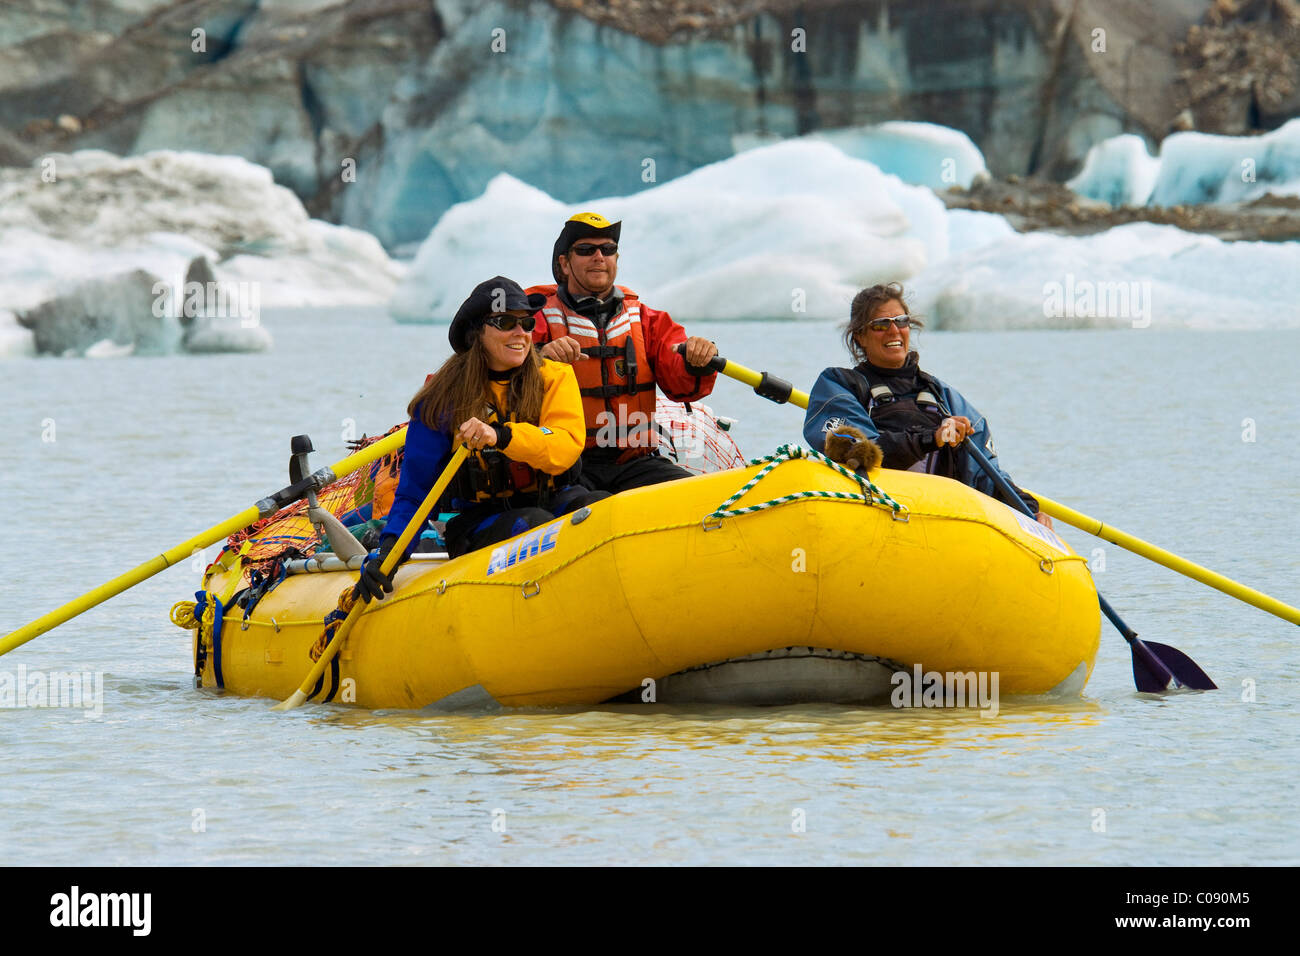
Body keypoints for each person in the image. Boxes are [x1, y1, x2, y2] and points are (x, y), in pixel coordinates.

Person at [355, 277, 606, 602]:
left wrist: (501, 436)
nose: (521, 333)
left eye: (526, 323)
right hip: (479, 520)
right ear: (476, 333)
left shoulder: (554, 377)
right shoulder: (441, 400)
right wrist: (389, 553)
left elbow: (562, 448)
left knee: (598, 506)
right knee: (535, 527)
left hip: (553, 498)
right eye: (505, 322)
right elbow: (415, 494)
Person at [803, 282, 1052, 527]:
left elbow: (985, 474)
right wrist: (931, 438)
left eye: (901, 321)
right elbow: (862, 453)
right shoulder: (839, 385)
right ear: (860, 336)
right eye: (880, 325)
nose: (894, 331)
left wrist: (1029, 510)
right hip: (881, 512)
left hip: (940, 520)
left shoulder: (942, 396)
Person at [527, 212, 721, 493]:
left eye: (608, 249)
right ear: (564, 264)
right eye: (585, 250)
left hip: (635, 463)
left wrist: (699, 360)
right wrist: (540, 356)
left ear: (616, 259)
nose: (598, 256)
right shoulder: (533, 319)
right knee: (585, 508)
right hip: (565, 467)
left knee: (698, 496)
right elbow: (501, 371)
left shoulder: (647, 321)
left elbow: (684, 386)